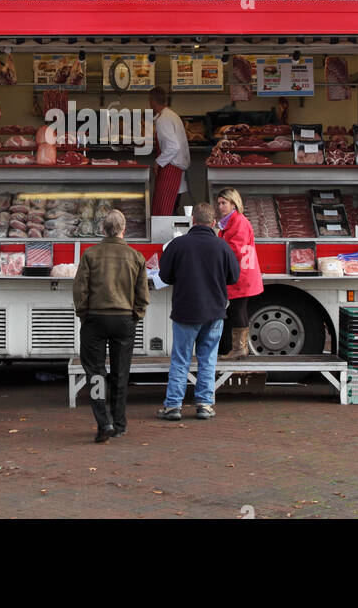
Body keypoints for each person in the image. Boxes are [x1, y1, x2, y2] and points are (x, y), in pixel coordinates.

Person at [72, 209, 151, 442]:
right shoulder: (136, 257)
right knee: (120, 373)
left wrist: (84, 315)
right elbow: (143, 295)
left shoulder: (90, 255)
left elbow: (80, 290)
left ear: (103, 230)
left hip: (95, 319)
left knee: (96, 373)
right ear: (124, 229)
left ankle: (103, 422)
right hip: (124, 320)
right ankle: (120, 423)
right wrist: (135, 315)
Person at [156, 202, 240, 421]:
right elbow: (234, 277)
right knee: (208, 359)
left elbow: (164, 276)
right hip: (214, 311)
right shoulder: (222, 246)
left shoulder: (178, 244)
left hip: (185, 311)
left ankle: (173, 406)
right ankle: (204, 404)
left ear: (192, 221)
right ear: (213, 223)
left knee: (181, 359)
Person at [214, 188, 263, 359]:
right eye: (219, 203)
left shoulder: (238, 222)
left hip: (241, 274)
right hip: (240, 273)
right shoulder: (232, 221)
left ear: (233, 204)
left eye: (223, 203)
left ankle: (239, 349)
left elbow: (235, 249)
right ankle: (239, 349)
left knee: (238, 310)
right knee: (237, 310)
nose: (220, 206)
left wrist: (217, 249)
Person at [149, 86, 190, 215]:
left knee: (165, 212)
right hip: (176, 169)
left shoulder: (163, 120)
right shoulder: (173, 115)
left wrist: (158, 162)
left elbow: (173, 146)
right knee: (172, 209)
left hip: (170, 168)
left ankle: (167, 236)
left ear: (152, 101)